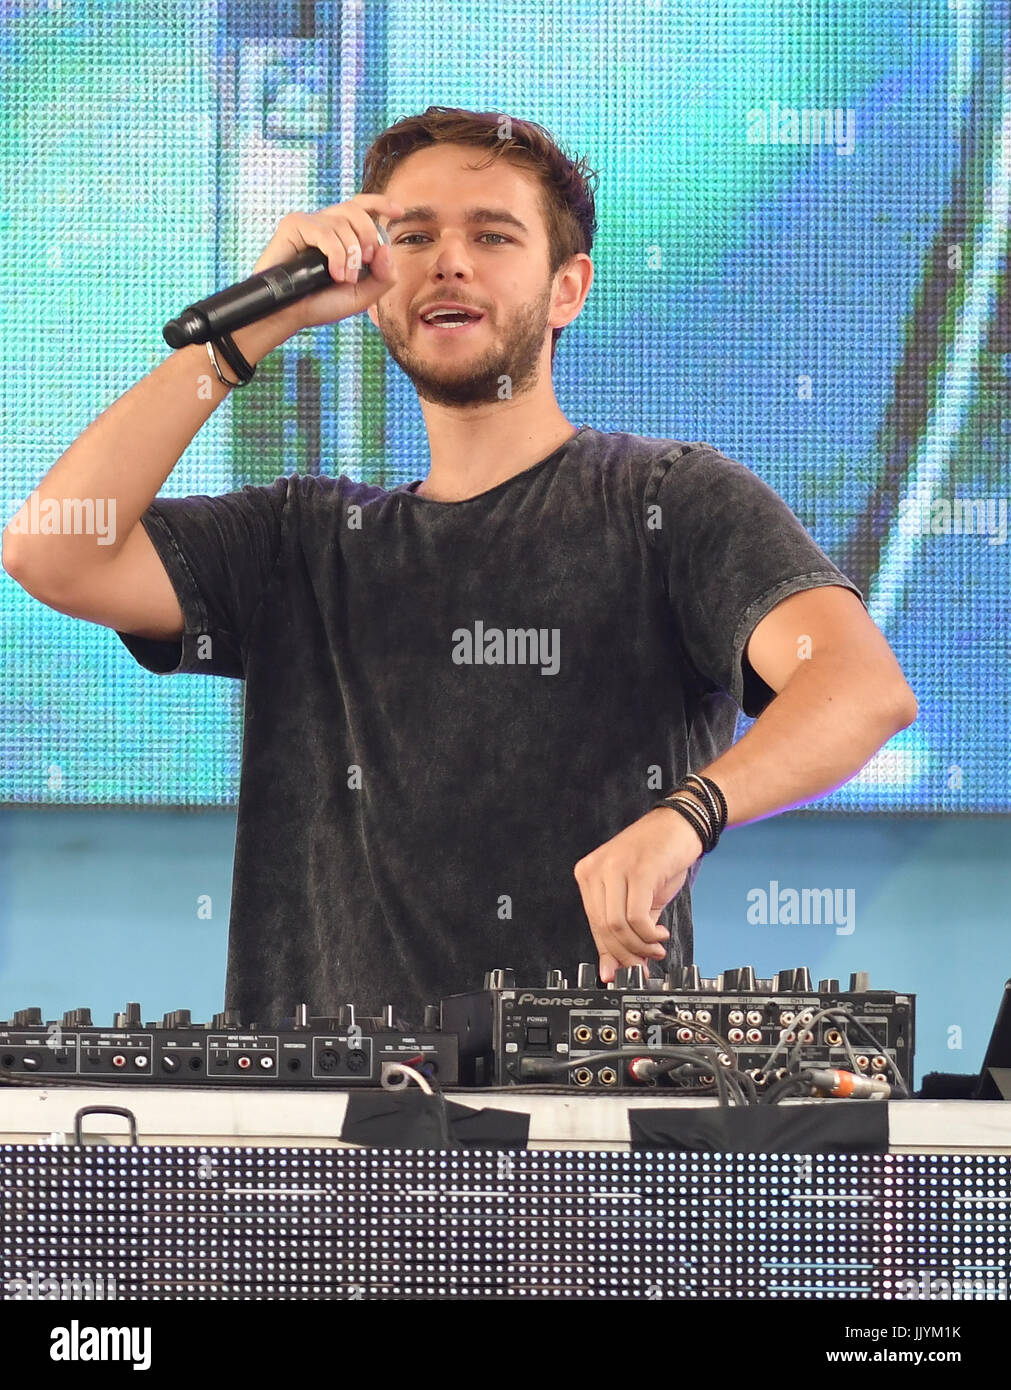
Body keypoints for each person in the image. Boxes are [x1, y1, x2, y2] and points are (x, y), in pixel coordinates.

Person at [2, 107, 917, 1027]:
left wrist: (688, 815)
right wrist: (247, 330)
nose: (449, 261)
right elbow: (51, 552)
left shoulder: (670, 500)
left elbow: (857, 687)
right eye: (413, 236)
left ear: (567, 290)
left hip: (583, 1135)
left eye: (492, 235)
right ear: (370, 280)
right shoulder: (300, 538)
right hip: (317, 1142)